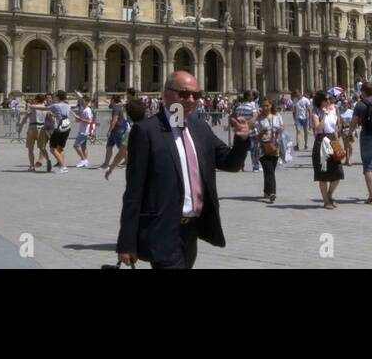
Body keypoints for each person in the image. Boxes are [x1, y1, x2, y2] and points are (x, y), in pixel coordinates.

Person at [116, 71, 252, 269]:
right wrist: (126, 242)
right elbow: (134, 191)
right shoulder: (147, 131)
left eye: (196, 95)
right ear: (166, 94)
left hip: (192, 231)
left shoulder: (200, 128)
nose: (190, 100)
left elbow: (230, 163)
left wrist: (241, 140)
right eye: (184, 94)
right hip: (163, 231)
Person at [311, 91, 344, 208]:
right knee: (323, 173)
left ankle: (329, 194)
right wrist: (324, 115)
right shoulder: (315, 112)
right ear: (320, 101)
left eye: (329, 99)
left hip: (333, 140)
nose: (329, 101)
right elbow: (318, 129)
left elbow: (336, 127)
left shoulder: (334, 109)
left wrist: (338, 143)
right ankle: (326, 201)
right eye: (326, 99)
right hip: (321, 140)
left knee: (338, 172)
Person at [255, 99, 282, 203]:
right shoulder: (259, 118)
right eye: (264, 106)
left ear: (271, 105)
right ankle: (272, 193)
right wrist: (262, 131)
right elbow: (257, 134)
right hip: (262, 147)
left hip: (275, 146)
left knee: (270, 171)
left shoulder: (277, 116)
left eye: (267, 105)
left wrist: (279, 130)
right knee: (269, 170)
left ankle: (266, 190)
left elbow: (282, 128)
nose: (266, 108)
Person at [46, 91, 72, 174]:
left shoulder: (55, 105)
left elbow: (44, 108)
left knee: (52, 148)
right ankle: (62, 166)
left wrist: (33, 106)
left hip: (59, 127)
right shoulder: (68, 105)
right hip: (67, 126)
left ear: (58, 97)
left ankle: (63, 167)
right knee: (60, 147)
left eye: (55, 96)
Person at [102, 94, 128, 170]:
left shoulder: (116, 108)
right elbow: (110, 105)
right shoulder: (118, 107)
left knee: (121, 148)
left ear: (113, 100)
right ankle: (106, 164)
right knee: (109, 147)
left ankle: (129, 162)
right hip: (116, 130)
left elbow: (115, 120)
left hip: (117, 130)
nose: (110, 101)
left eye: (111, 100)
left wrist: (109, 131)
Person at [74, 97, 94, 168]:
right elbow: (81, 119)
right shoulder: (83, 109)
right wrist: (78, 118)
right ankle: (86, 161)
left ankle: (83, 160)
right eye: (81, 101)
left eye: (83, 101)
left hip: (84, 131)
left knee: (76, 146)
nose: (82, 102)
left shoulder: (88, 110)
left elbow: (89, 121)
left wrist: (80, 119)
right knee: (83, 147)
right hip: (82, 130)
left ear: (87, 102)